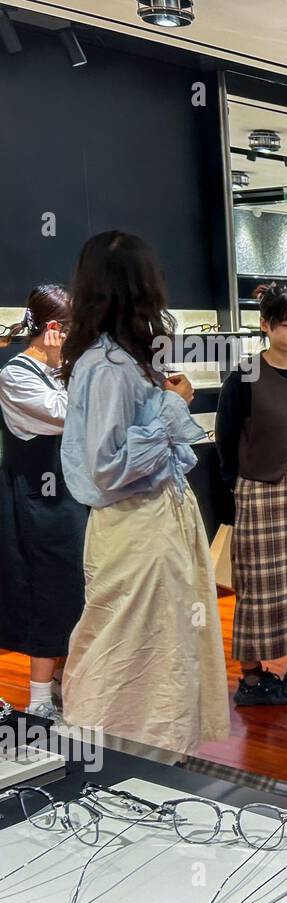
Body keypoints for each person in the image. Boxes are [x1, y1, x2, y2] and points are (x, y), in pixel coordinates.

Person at [59, 231, 229, 756]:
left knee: (158, 645)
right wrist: (172, 404)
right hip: (137, 526)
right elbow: (109, 468)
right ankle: (122, 760)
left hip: (152, 523)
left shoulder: (119, 360)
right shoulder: (107, 366)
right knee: (130, 644)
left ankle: (149, 758)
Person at [216, 284, 287, 706]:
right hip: (258, 487)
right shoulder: (244, 374)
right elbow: (226, 438)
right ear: (265, 326)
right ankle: (251, 675)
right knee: (260, 582)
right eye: (286, 324)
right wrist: (232, 487)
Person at [0, 285, 87, 719]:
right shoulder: (16, 374)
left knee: (75, 593)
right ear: (55, 328)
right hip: (39, 503)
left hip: (68, 499)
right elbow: (65, 413)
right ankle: (37, 703)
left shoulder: (58, 369)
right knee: (48, 595)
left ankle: (63, 688)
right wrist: (60, 367)